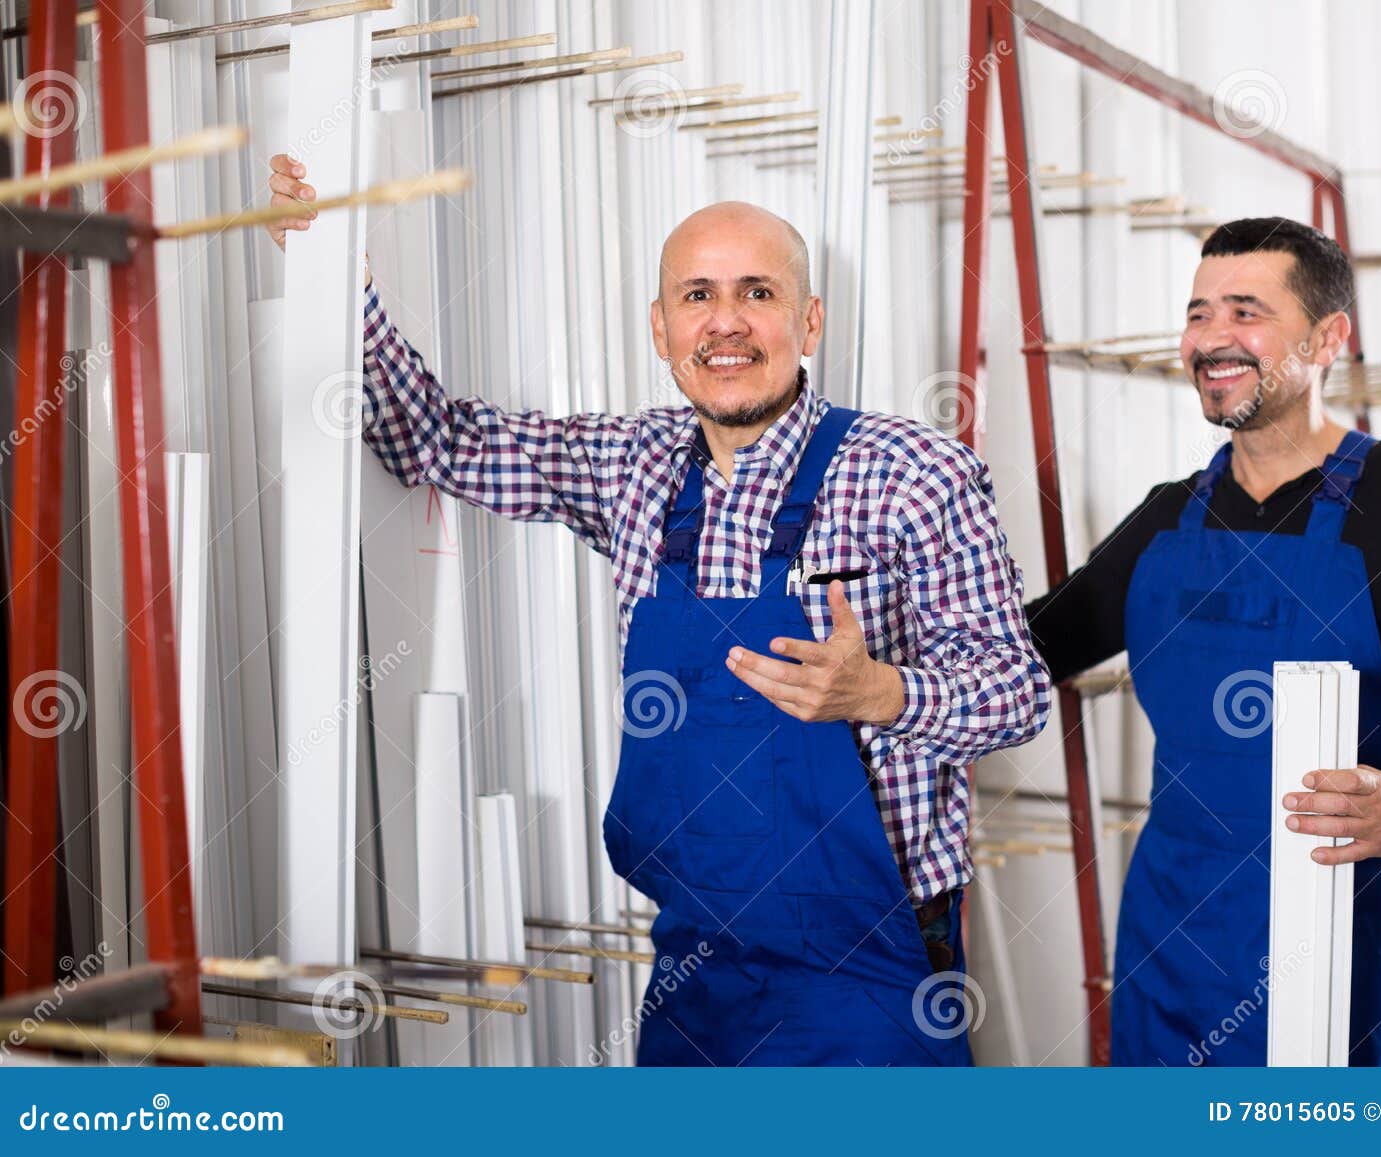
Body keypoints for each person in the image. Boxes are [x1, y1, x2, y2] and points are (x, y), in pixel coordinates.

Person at [266, 154, 1050, 1066]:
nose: (726, 322)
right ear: (660, 326)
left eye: (757, 292)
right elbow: (433, 440)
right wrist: (342, 279)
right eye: (697, 295)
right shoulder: (632, 465)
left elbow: (1017, 692)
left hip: (867, 971)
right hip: (697, 966)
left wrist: (881, 694)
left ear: (809, 320)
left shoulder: (913, 472)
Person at [1026, 217, 1381, 1066]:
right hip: (1172, 941)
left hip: (1336, 947)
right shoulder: (1165, 520)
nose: (1212, 339)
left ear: (1328, 335)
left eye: (1246, 311)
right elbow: (1039, 645)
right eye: (1198, 314)